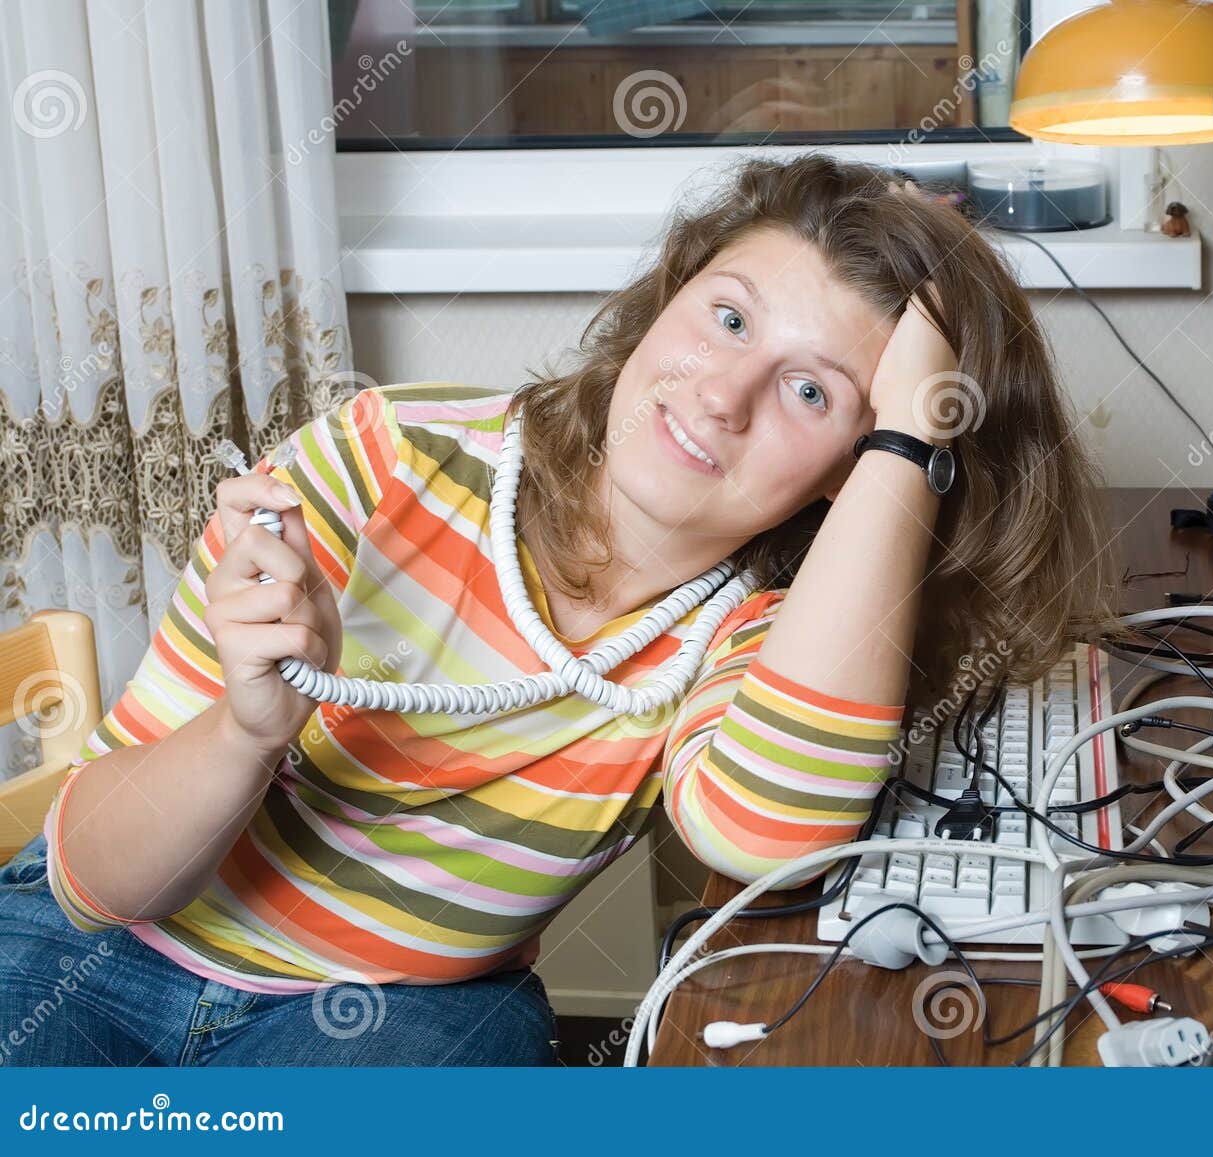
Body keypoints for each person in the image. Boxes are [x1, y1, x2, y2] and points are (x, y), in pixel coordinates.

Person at [0, 154, 1115, 1066]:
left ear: (846, 467)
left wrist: (913, 430)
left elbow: (766, 835)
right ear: (665, 298)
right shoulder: (381, 458)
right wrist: (250, 729)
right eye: (726, 317)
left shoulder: (755, 625)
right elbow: (93, 883)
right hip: (99, 956)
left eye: (812, 389)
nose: (721, 397)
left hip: (383, 1015)